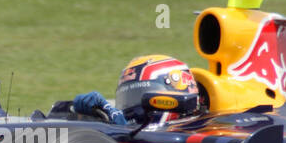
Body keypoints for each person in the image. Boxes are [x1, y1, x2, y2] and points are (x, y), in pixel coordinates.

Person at [71, 54, 202, 126]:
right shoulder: (132, 129)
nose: (133, 107)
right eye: (128, 98)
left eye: (141, 98)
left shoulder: (200, 131)